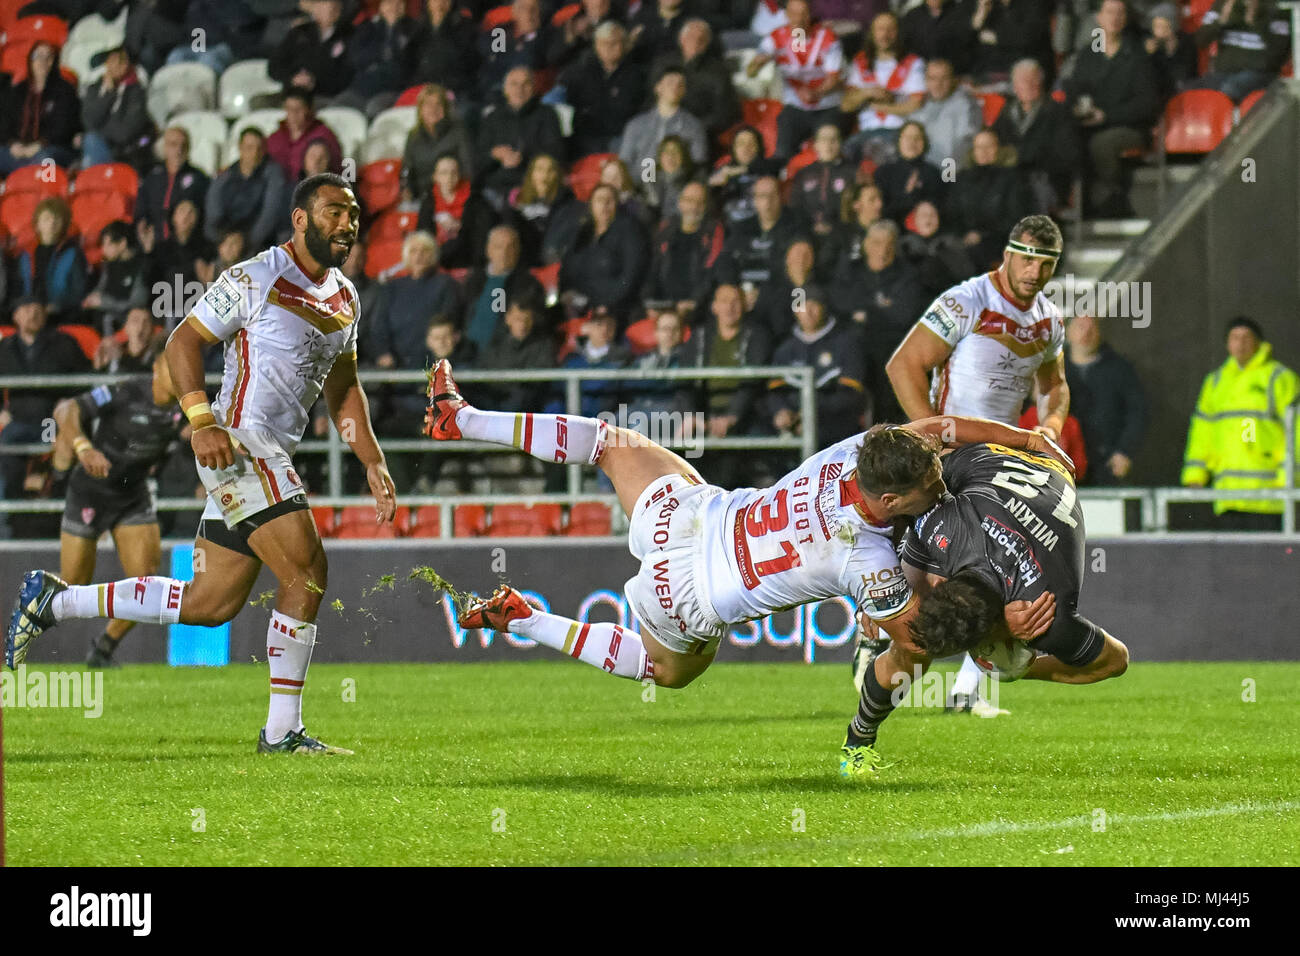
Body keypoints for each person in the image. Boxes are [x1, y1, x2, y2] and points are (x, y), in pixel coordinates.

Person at [422, 358, 1065, 763]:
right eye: (931, 493)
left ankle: (465, 418)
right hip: (688, 592)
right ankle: (525, 620)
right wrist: (1003, 623)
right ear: (890, 499)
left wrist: (1024, 436)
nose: (942, 493)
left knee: (610, 442)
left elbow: (942, 431)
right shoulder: (864, 559)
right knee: (667, 673)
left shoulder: (859, 450)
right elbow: (923, 635)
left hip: (686, 513)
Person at [7, 173, 398, 757]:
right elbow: (183, 342)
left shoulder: (345, 297)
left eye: (352, 214)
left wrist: (370, 457)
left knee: (209, 605)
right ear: (299, 219)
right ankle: (281, 732)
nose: (347, 223)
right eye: (334, 212)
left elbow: (345, 386)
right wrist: (201, 420)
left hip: (267, 450)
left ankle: (52, 601)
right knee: (307, 572)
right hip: (240, 442)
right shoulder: (255, 275)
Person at [842, 434, 1129, 776]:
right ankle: (860, 736)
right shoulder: (940, 517)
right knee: (912, 644)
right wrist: (880, 603)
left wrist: (1024, 670)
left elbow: (1116, 661)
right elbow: (936, 445)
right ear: (945, 582)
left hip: (1033, 473)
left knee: (913, 651)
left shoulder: (1047, 618)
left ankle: (856, 741)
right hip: (989, 469)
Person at [884, 214, 1069, 712]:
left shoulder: (1049, 320)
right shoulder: (965, 301)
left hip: (1000, 459)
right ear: (1007, 255)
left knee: (996, 570)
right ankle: (883, 646)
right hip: (950, 456)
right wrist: (929, 438)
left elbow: (1053, 386)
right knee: (936, 566)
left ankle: (967, 688)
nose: (1034, 271)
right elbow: (903, 365)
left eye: (1045, 262)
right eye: (1027, 258)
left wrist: (1048, 430)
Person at [50, 345, 186, 667]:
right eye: (174, 367)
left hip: (132, 495)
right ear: (156, 367)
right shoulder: (125, 391)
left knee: (146, 583)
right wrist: (82, 448)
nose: (181, 374)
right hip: (90, 492)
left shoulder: (188, 403)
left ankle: (103, 649)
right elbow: (66, 409)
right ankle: (27, 605)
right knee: (74, 584)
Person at [1181, 317, 1299, 531]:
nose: (1240, 343)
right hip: (1228, 497)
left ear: (1259, 342)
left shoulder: (1278, 377)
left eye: (1246, 338)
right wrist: (1196, 472)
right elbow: (1202, 430)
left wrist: (1288, 476)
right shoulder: (1216, 381)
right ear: (1227, 344)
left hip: (1268, 497)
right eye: (1235, 338)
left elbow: (1296, 429)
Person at [0, 297, 91, 538]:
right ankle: (9, 521)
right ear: (16, 316)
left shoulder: (63, 343)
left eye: (37, 308)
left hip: (51, 420)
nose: (33, 313)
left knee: (57, 455)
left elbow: (85, 381)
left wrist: (68, 403)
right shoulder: (5, 347)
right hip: (17, 421)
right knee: (7, 450)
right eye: (26, 308)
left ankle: (62, 523)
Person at [1060, 0, 1161, 218]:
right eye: (1110, 12)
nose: (1114, 17)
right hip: (1089, 123)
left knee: (1101, 144)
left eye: (1120, 13)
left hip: (1130, 127)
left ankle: (1111, 199)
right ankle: (1068, 204)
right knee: (1063, 139)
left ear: (1125, 19)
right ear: (1099, 18)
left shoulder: (1137, 55)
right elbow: (1075, 91)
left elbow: (1147, 104)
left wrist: (1106, 116)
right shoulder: (1088, 55)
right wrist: (1079, 109)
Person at [768, 285, 868, 446]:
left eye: (814, 305)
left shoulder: (846, 343)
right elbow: (774, 391)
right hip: (793, 421)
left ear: (824, 307)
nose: (808, 312)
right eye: (802, 306)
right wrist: (781, 411)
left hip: (834, 422)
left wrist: (809, 414)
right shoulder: (785, 348)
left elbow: (850, 395)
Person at [749, 0, 846, 161]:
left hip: (827, 105)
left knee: (827, 150)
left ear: (810, 15)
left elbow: (833, 78)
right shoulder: (777, 37)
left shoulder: (827, 37)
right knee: (782, 151)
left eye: (803, 14)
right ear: (786, 15)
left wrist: (815, 92)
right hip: (796, 107)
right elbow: (751, 72)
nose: (798, 19)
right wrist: (758, 63)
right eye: (793, 14)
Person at [1064, 315, 1146, 485]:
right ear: (1067, 332)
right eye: (1080, 327)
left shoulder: (1120, 368)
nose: (1086, 334)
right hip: (1063, 466)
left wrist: (1125, 451)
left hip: (1106, 466)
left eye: (1091, 328)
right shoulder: (1052, 369)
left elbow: (1138, 412)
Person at [991, 58, 1081, 210]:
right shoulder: (1006, 114)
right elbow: (995, 147)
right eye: (1023, 80)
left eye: (1033, 79)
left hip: (1045, 180)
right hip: (1009, 180)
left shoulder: (1057, 112)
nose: (1028, 84)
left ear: (1042, 82)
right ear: (1014, 86)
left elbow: (1067, 155)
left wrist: (1020, 157)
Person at [556, 183, 650, 323]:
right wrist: (565, 292)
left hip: (616, 309)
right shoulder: (582, 231)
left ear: (617, 205)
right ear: (591, 205)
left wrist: (606, 305)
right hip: (579, 305)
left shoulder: (629, 230)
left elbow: (631, 276)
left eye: (610, 200)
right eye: (600, 200)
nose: (605, 205)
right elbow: (567, 267)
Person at [842, 11, 926, 166]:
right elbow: (846, 105)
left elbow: (915, 105)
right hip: (866, 133)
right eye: (880, 29)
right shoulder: (860, 62)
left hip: (898, 132)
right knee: (843, 156)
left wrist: (877, 105)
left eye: (890, 29)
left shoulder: (913, 63)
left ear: (898, 33)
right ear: (872, 33)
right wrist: (867, 92)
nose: (885, 34)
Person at [475, 67, 566, 209]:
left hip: (532, 188)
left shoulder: (547, 115)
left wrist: (523, 157)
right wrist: (495, 154)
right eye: (514, 84)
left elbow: (555, 154)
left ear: (534, 88)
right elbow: (478, 160)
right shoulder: (492, 117)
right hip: (496, 189)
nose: (520, 89)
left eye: (526, 84)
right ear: (505, 89)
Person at [946, 128, 1034, 270]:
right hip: (964, 239)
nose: (983, 151)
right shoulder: (962, 178)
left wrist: (982, 235)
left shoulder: (1013, 179)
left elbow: (1016, 218)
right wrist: (963, 234)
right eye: (979, 147)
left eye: (989, 146)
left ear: (999, 149)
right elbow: (952, 212)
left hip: (1000, 241)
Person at [559, 21, 647, 157]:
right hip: (585, 139)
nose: (610, 47)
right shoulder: (580, 72)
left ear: (624, 46)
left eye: (615, 43)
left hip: (621, 139)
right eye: (605, 43)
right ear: (596, 46)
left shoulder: (637, 75)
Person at [640, 181, 723, 325]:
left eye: (700, 202)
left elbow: (711, 272)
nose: (693, 207)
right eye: (689, 200)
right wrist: (650, 303)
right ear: (680, 203)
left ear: (706, 206)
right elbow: (653, 267)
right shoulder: (667, 227)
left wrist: (693, 302)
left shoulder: (714, 229)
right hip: (664, 303)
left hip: (696, 305)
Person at [650, 18, 740, 141]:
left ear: (707, 44)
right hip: (658, 129)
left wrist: (693, 127)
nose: (696, 42)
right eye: (691, 37)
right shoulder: (663, 64)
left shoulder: (718, 72)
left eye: (702, 40)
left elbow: (724, 113)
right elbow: (649, 99)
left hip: (698, 133)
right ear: (681, 40)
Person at [0, 42, 81, 175]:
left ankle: (44, 192)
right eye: (38, 56)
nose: (42, 61)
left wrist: (38, 145)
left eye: (48, 57)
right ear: (30, 61)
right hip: (18, 150)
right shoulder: (17, 91)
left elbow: (64, 128)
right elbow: (5, 123)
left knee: (45, 159)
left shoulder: (65, 90)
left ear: (54, 62)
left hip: (51, 149)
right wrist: (13, 144)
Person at [204, 128, 289, 250]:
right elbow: (213, 210)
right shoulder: (226, 175)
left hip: (257, 243)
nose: (254, 153)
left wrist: (247, 242)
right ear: (240, 148)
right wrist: (223, 240)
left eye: (259, 148)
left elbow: (270, 212)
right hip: (225, 240)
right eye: (249, 147)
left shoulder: (273, 173)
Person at [618, 65, 708, 177]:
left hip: (678, 185)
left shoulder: (694, 126)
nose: (675, 87)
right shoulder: (636, 125)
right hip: (642, 185)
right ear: (658, 87)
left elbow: (698, 163)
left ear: (684, 90)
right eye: (670, 83)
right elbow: (625, 162)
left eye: (680, 84)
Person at [1192, 0, 1291, 102]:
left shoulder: (1277, 7)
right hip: (1224, 73)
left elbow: (1280, 52)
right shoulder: (1223, 4)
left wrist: (1255, 20)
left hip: (1261, 73)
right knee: (1189, 92)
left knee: (1229, 89)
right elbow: (1200, 40)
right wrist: (1221, 21)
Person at [416, 153, 497, 270]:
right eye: (444, 173)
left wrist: (460, 227)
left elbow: (483, 235)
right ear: (435, 177)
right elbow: (422, 234)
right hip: (436, 258)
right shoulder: (428, 202)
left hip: (468, 258)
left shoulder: (475, 199)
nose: (449, 177)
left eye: (453, 172)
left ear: (459, 175)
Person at [79, 45, 152, 169]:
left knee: (91, 139)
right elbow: (88, 122)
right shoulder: (94, 89)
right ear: (106, 64)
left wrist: (100, 129)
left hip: (124, 152)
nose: (119, 64)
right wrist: (108, 94)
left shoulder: (137, 93)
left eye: (123, 60)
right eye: (114, 60)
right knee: (91, 139)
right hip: (97, 145)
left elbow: (125, 132)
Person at [16, 198, 89, 320]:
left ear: (64, 224)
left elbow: (79, 291)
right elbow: (17, 288)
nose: (52, 223)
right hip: (28, 314)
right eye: (46, 219)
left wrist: (57, 306)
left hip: (60, 313)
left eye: (57, 219)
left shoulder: (73, 253)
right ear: (37, 223)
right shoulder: (25, 254)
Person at [135, 127, 211, 243]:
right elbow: (141, 210)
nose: (179, 150)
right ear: (165, 147)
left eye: (183, 145)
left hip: (185, 246)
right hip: (154, 244)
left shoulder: (199, 179)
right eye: (173, 144)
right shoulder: (152, 177)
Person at [401, 84, 475, 202]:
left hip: (453, 195)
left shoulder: (458, 131)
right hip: (422, 196)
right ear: (420, 110)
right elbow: (407, 170)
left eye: (438, 104)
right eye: (428, 104)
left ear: (445, 109)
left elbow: (468, 169)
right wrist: (407, 189)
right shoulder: (413, 136)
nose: (433, 109)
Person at [270, 0, 355, 100]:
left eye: (333, 8)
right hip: (291, 93)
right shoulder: (299, 32)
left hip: (323, 96)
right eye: (321, 6)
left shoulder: (348, 36)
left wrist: (314, 83)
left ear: (339, 11)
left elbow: (345, 76)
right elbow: (274, 67)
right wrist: (293, 78)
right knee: (259, 102)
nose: (328, 11)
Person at [908, 58, 981, 171]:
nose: (938, 84)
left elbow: (962, 146)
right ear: (926, 81)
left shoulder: (966, 105)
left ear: (953, 80)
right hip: (924, 172)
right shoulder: (918, 107)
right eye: (933, 78)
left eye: (944, 78)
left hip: (953, 172)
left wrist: (947, 175)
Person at [786, 123, 856, 238]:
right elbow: (796, 206)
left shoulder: (852, 172)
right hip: (806, 232)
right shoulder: (804, 173)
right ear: (816, 144)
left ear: (840, 143)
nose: (828, 144)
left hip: (842, 233)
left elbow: (853, 210)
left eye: (833, 140)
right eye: (824, 140)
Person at [507, 153, 575, 266]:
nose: (545, 175)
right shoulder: (516, 199)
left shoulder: (566, 200)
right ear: (531, 173)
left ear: (557, 174)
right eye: (539, 169)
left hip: (550, 251)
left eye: (550, 170)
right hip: (523, 253)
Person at [873, 120, 945, 224]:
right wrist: (908, 197)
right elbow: (881, 211)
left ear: (924, 143)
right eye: (907, 137)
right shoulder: (883, 172)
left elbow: (939, 208)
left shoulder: (934, 173)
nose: (912, 142)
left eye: (917, 138)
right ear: (899, 141)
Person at [82, 221, 150, 332]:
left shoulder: (142, 266)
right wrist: (91, 298)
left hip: (128, 321)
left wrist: (104, 302)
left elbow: (137, 303)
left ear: (122, 243)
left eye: (108, 244)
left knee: (107, 319)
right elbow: (101, 287)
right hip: (105, 313)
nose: (103, 250)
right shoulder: (109, 264)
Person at [265, 88, 344, 184]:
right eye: (289, 109)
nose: (294, 114)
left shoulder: (323, 135)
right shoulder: (276, 137)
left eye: (299, 109)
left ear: (308, 109)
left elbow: (336, 168)